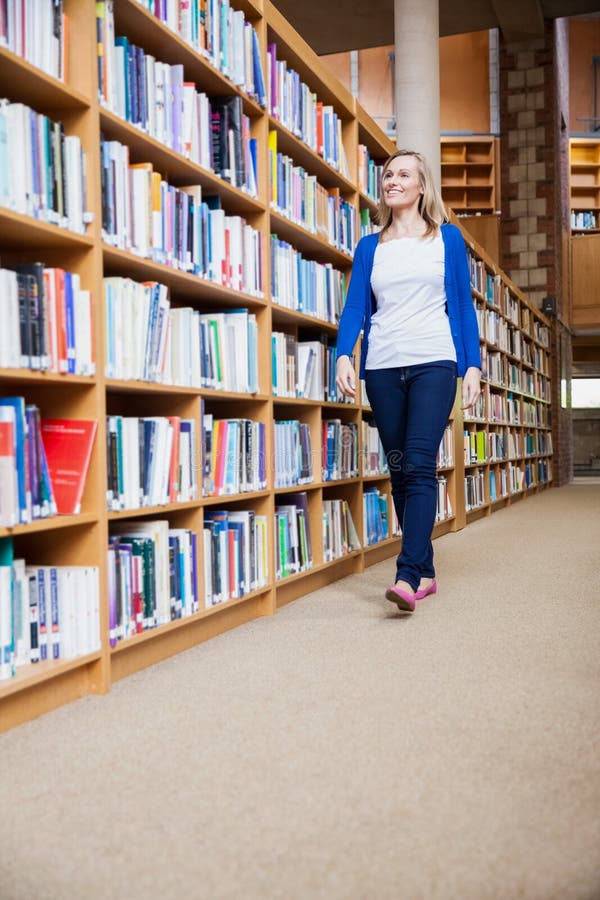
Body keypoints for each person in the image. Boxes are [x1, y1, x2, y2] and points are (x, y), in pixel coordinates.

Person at [335, 149, 481, 615]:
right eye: (387, 174)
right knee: (399, 468)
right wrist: (343, 354)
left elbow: (462, 306)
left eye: (403, 174)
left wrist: (472, 365)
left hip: (434, 361)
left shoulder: (448, 240)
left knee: (418, 463)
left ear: (422, 187)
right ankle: (428, 569)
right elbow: (357, 306)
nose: (392, 180)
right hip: (382, 366)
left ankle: (406, 572)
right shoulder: (368, 247)